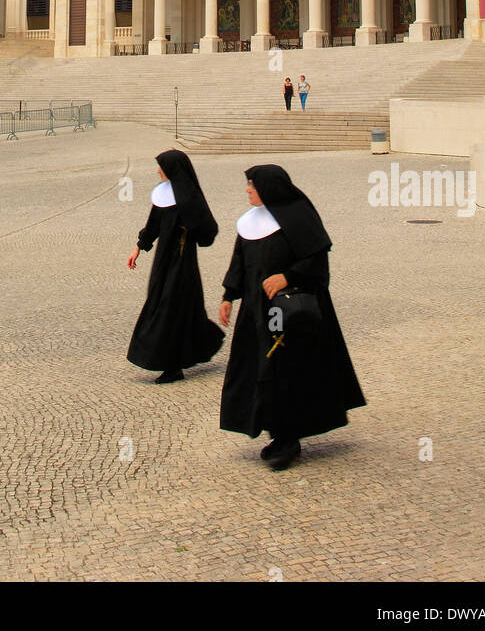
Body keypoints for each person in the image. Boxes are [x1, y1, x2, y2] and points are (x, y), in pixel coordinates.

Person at [219, 164, 365, 470]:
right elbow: (240, 262)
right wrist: (228, 296)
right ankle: (275, 430)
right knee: (260, 368)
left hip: (288, 312)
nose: (247, 190)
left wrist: (287, 276)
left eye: (251, 185)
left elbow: (316, 261)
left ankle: (289, 437)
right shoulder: (248, 222)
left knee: (287, 370)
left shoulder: (297, 217)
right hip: (256, 313)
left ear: (269, 189)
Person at [127, 149, 225, 384]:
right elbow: (153, 225)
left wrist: (191, 232)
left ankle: (171, 365)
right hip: (163, 258)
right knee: (165, 302)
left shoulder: (188, 196)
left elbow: (208, 228)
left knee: (170, 307)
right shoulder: (162, 194)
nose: (158, 170)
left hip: (182, 261)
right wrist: (139, 248)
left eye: (161, 166)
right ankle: (204, 341)